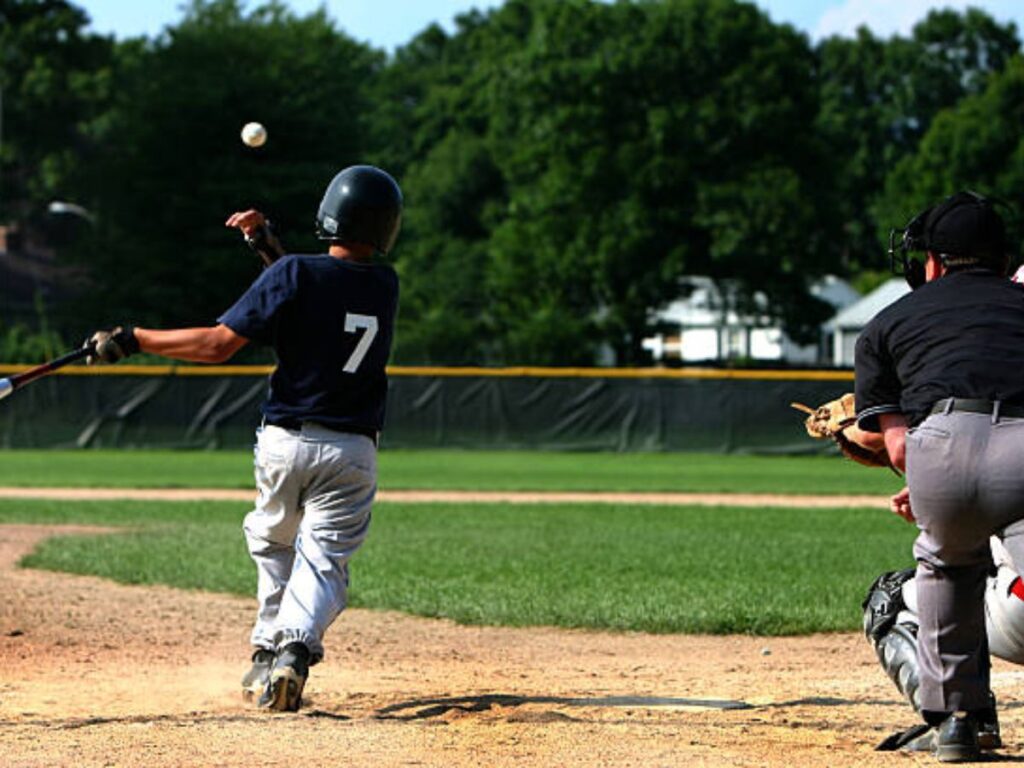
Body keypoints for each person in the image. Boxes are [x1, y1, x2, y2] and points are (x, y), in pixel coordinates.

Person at [84, 164, 403, 712]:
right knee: (324, 558)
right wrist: (266, 245)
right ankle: (293, 650)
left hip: (285, 443)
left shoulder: (297, 274)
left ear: (328, 215)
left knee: (274, 540)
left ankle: (265, 648)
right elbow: (312, 290)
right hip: (352, 449)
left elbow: (217, 344)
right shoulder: (384, 284)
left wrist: (134, 338)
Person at [854, 190, 1024, 761]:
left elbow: (898, 446)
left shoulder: (888, 322)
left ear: (930, 263)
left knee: (946, 568)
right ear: (1004, 261)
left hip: (938, 446)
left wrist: (934, 475)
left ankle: (955, 724)